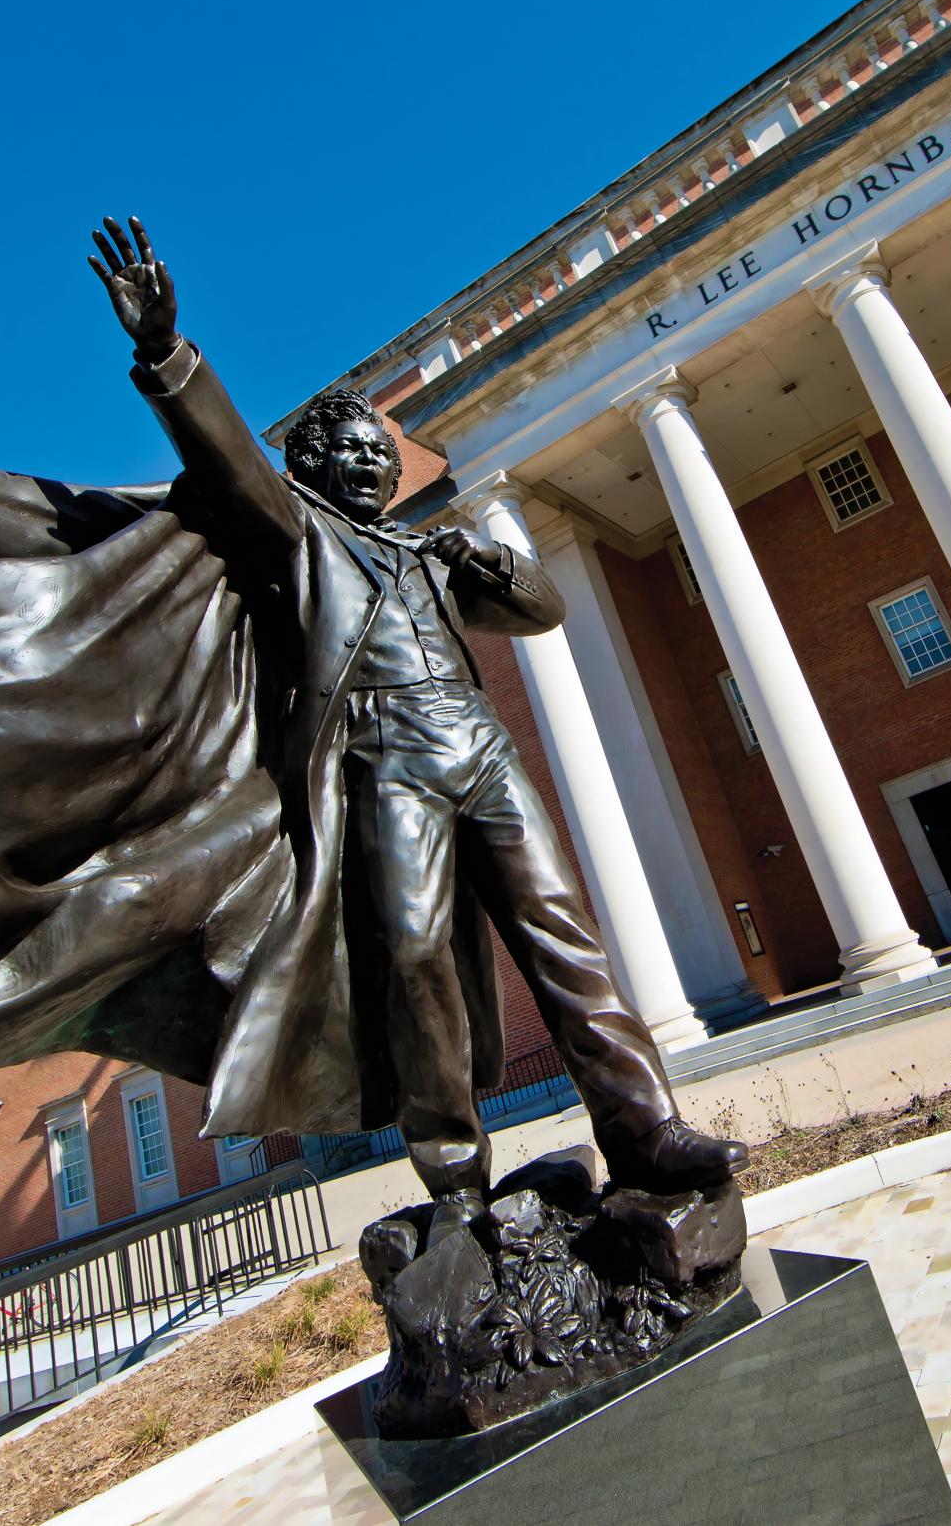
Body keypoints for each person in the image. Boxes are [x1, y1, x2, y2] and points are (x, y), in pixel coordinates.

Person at [87, 217, 744, 1208]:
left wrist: (485, 559)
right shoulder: (299, 538)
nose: (368, 467)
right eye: (346, 454)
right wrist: (164, 351)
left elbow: (541, 610)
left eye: (377, 455)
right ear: (310, 469)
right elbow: (224, 457)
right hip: (384, 760)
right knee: (411, 952)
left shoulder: (429, 556)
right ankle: (453, 1176)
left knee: (560, 932)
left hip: (478, 750)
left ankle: (646, 1129)